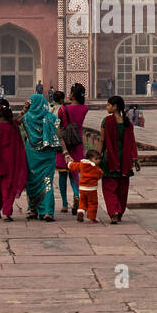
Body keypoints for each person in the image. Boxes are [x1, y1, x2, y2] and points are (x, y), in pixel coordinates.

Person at [20, 93, 61, 220]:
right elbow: (59, 135)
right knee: (47, 181)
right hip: (47, 154)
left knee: (32, 181)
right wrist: (64, 152)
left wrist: (24, 110)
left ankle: (33, 210)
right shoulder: (52, 117)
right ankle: (48, 212)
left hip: (32, 153)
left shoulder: (26, 117)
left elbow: (15, 122)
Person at [0, 99, 28, 221]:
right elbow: (19, 119)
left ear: (0, 109)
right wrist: (25, 109)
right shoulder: (13, 125)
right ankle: (6, 212)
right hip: (11, 160)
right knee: (9, 187)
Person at [101, 96, 139, 224]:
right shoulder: (127, 122)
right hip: (125, 159)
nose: (107, 107)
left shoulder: (106, 121)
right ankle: (120, 210)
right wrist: (135, 158)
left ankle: (114, 211)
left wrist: (99, 155)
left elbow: (102, 140)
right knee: (123, 187)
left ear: (115, 106)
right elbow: (132, 142)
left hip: (110, 157)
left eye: (108, 105)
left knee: (109, 187)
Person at [55, 86, 89, 214]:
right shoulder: (85, 108)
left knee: (62, 175)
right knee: (74, 174)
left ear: (73, 95)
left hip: (64, 144)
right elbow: (77, 108)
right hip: (77, 143)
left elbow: (58, 124)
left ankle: (64, 204)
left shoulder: (63, 109)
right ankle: (76, 195)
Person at [68, 148, 104, 222]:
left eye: (99, 159)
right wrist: (100, 171)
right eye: (96, 159)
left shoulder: (82, 164)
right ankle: (91, 217)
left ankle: (80, 212)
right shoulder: (95, 168)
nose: (98, 160)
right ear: (90, 159)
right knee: (92, 203)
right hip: (92, 190)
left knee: (82, 202)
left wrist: (69, 163)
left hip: (82, 188)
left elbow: (74, 165)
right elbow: (100, 175)